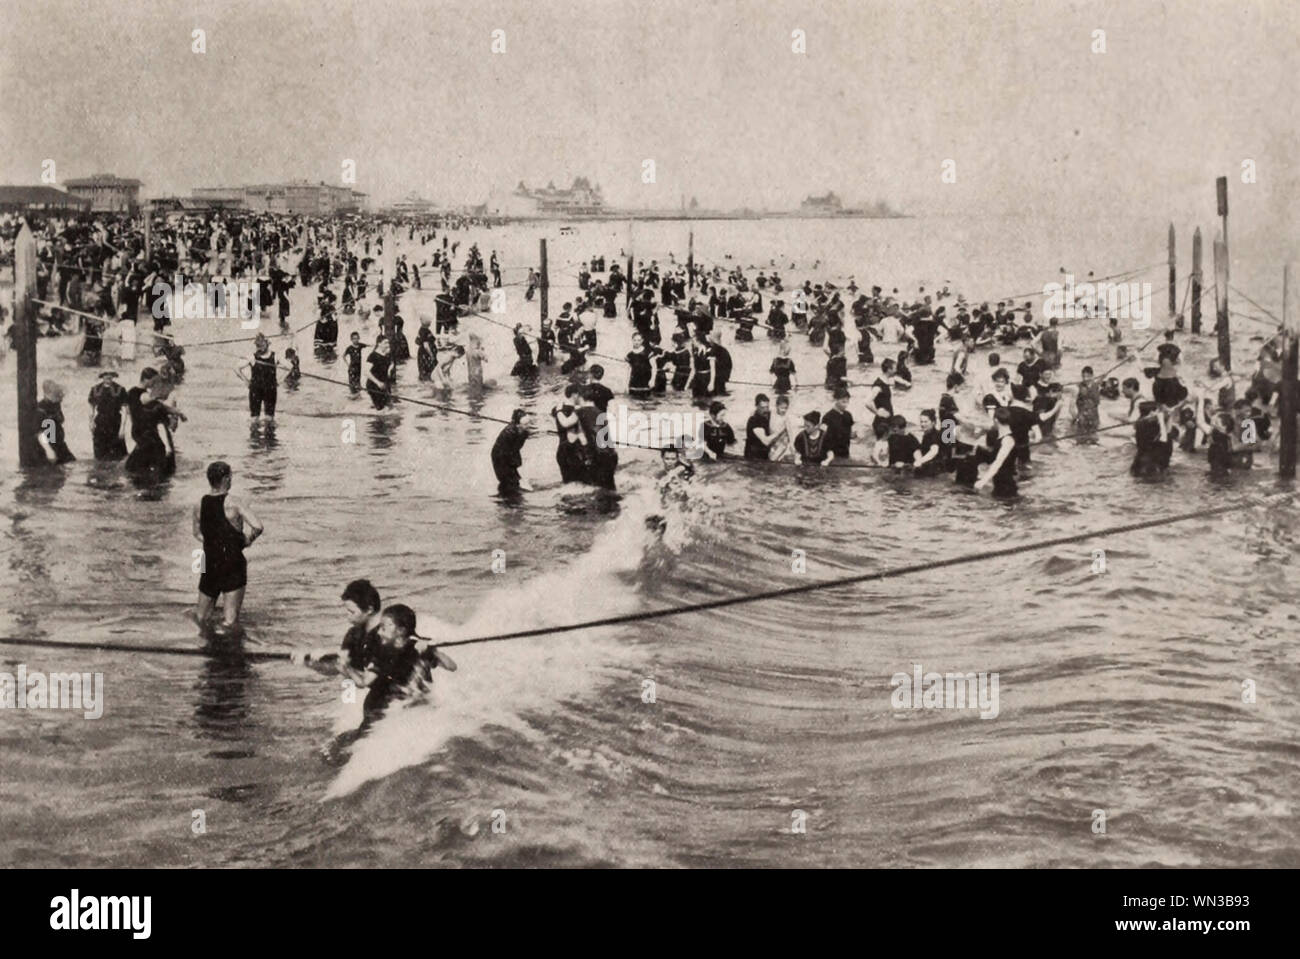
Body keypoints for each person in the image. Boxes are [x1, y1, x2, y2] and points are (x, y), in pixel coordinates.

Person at [350, 604, 457, 729]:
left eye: (384, 628)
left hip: (411, 709)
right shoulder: (382, 651)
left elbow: (452, 667)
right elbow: (364, 681)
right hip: (380, 712)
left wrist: (433, 651)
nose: (378, 632)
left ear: (401, 631)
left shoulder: (419, 648)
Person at [192, 461, 263, 631]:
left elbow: (196, 533)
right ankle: (228, 652)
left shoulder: (199, 504)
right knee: (230, 621)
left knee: (201, 617)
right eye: (230, 476)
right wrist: (246, 541)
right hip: (232, 563)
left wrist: (214, 542)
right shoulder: (235, 503)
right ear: (226, 479)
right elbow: (258, 526)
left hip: (209, 563)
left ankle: (205, 649)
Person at [975, 408, 1018, 498]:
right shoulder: (1001, 437)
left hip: (1006, 485)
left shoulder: (1007, 440)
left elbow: (998, 462)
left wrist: (983, 481)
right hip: (1000, 482)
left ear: (996, 420)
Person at [88, 370, 128, 460]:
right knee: (99, 453)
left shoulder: (120, 389)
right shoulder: (95, 389)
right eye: (105, 374)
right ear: (102, 376)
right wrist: (91, 422)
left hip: (115, 422)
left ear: (113, 376)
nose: (108, 377)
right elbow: (91, 407)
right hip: (100, 423)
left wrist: (122, 428)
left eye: (110, 375)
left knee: (117, 453)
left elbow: (125, 410)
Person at [491, 409, 533, 494]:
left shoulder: (521, 429)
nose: (529, 426)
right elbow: (508, 453)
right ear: (518, 425)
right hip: (500, 457)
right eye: (526, 424)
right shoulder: (509, 433)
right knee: (508, 483)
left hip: (509, 454)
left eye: (529, 423)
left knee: (514, 482)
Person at [35, 380, 76, 465]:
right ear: (48, 394)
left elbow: (61, 419)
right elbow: (40, 433)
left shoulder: (56, 404)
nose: (60, 398)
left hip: (60, 443)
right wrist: (48, 450)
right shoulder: (41, 409)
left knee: (72, 462)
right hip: (48, 445)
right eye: (57, 395)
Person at [246, 333, 278, 420]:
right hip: (255, 389)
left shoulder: (275, 356)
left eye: (262, 345)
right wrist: (246, 381)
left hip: (270, 389)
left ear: (267, 344)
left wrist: (280, 381)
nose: (261, 348)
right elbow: (236, 368)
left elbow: (289, 366)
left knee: (269, 418)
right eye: (258, 346)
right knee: (254, 418)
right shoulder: (252, 357)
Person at [822, 387, 855, 459]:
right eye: (843, 402)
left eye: (847, 402)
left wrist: (853, 435)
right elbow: (822, 437)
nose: (846, 405)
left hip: (845, 451)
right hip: (832, 453)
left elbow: (850, 433)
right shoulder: (828, 417)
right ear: (836, 400)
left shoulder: (848, 415)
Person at [744, 394, 776, 460]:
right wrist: (780, 431)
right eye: (762, 407)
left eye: (767, 407)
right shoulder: (753, 420)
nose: (765, 410)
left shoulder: (768, 414)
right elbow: (766, 441)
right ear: (756, 406)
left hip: (764, 453)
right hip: (753, 456)